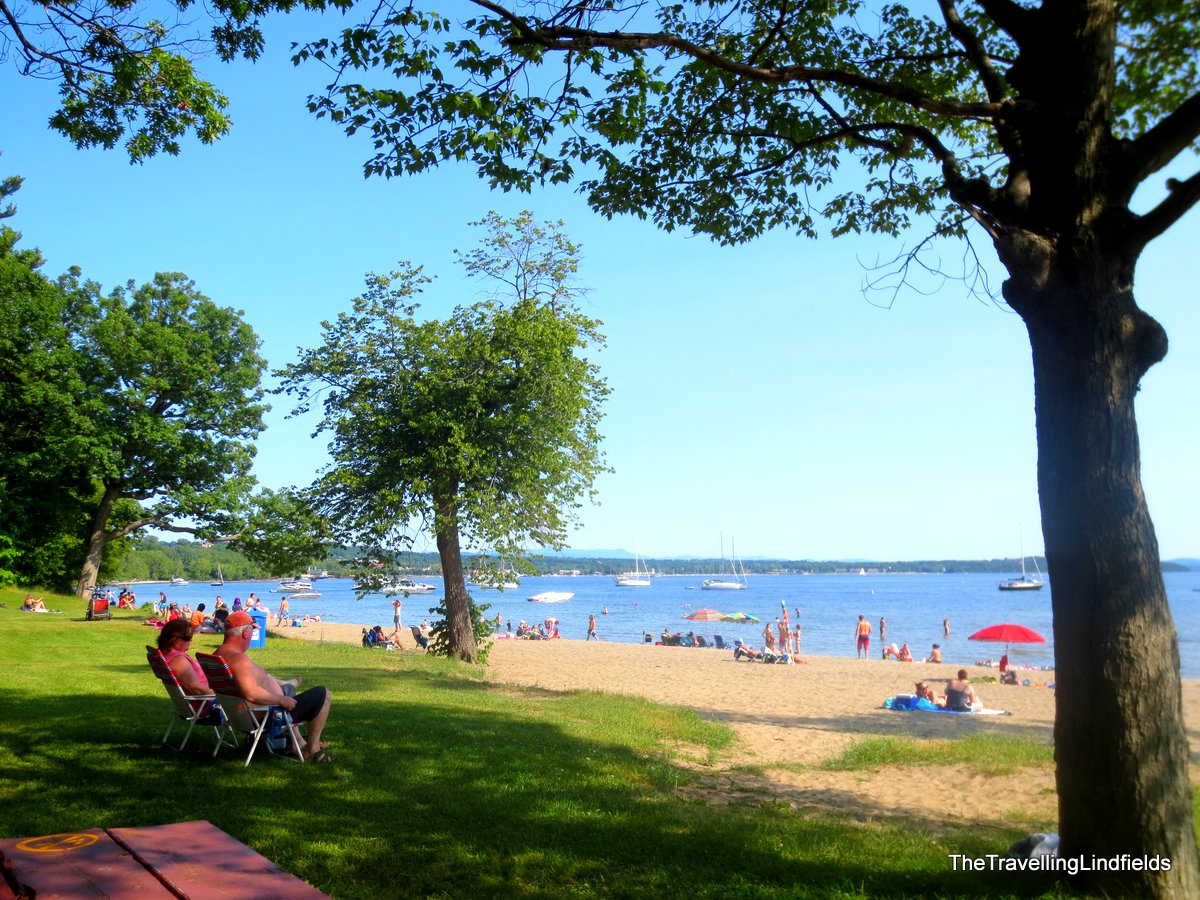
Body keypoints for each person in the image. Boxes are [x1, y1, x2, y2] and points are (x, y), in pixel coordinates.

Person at [217, 611, 333, 761]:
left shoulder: (218, 655)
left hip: (239, 716)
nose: (252, 635)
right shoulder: (239, 660)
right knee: (323, 694)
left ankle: (297, 741)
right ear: (245, 633)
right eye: (252, 631)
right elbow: (251, 694)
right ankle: (312, 749)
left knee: (288, 689)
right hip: (267, 715)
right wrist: (280, 700)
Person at [156, 619, 213, 702]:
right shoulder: (178, 660)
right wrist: (224, 696)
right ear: (175, 638)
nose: (191, 640)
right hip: (209, 705)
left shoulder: (168, 654)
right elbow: (198, 689)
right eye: (188, 637)